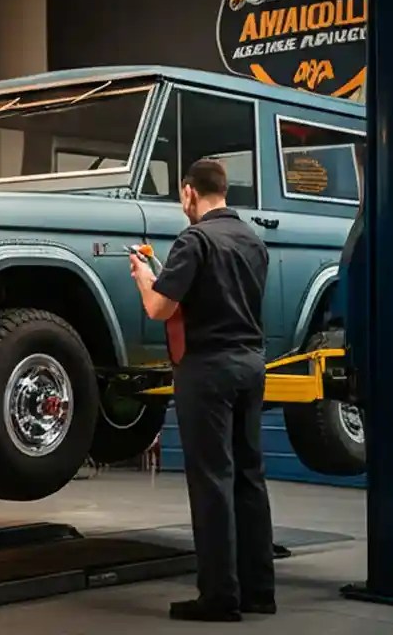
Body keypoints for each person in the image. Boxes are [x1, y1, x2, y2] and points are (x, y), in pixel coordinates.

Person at [129, 157, 276, 622]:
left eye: (181, 197)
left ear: (189, 191)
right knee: (249, 477)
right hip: (251, 366)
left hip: (207, 370)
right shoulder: (253, 241)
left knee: (212, 481)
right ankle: (258, 592)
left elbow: (158, 307)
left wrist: (143, 277)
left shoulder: (194, 240)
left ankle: (218, 597)